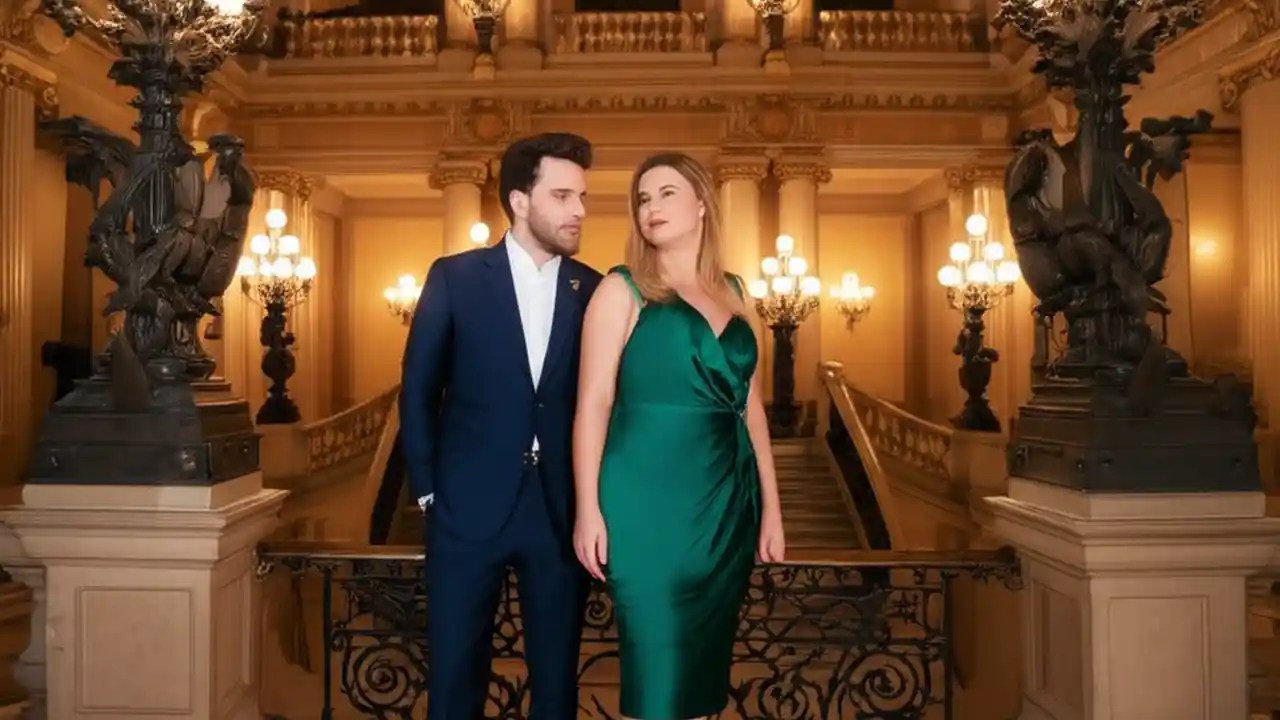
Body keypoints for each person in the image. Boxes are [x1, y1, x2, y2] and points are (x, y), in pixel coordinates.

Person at [572, 152, 786, 720]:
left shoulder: (737, 291)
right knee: (658, 682)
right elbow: (593, 404)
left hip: (726, 503)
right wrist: (588, 510)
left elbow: (753, 408)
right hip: (644, 506)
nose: (651, 207)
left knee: (701, 680)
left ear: (701, 205)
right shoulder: (622, 290)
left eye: (666, 193)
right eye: (643, 198)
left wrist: (771, 509)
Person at [399, 132, 602, 719]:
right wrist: (430, 491)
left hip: (559, 514)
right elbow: (417, 390)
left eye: (582, 196)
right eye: (563, 195)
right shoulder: (455, 277)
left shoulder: (591, 289)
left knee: (557, 684)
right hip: (465, 509)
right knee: (456, 679)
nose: (579, 210)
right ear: (519, 200)